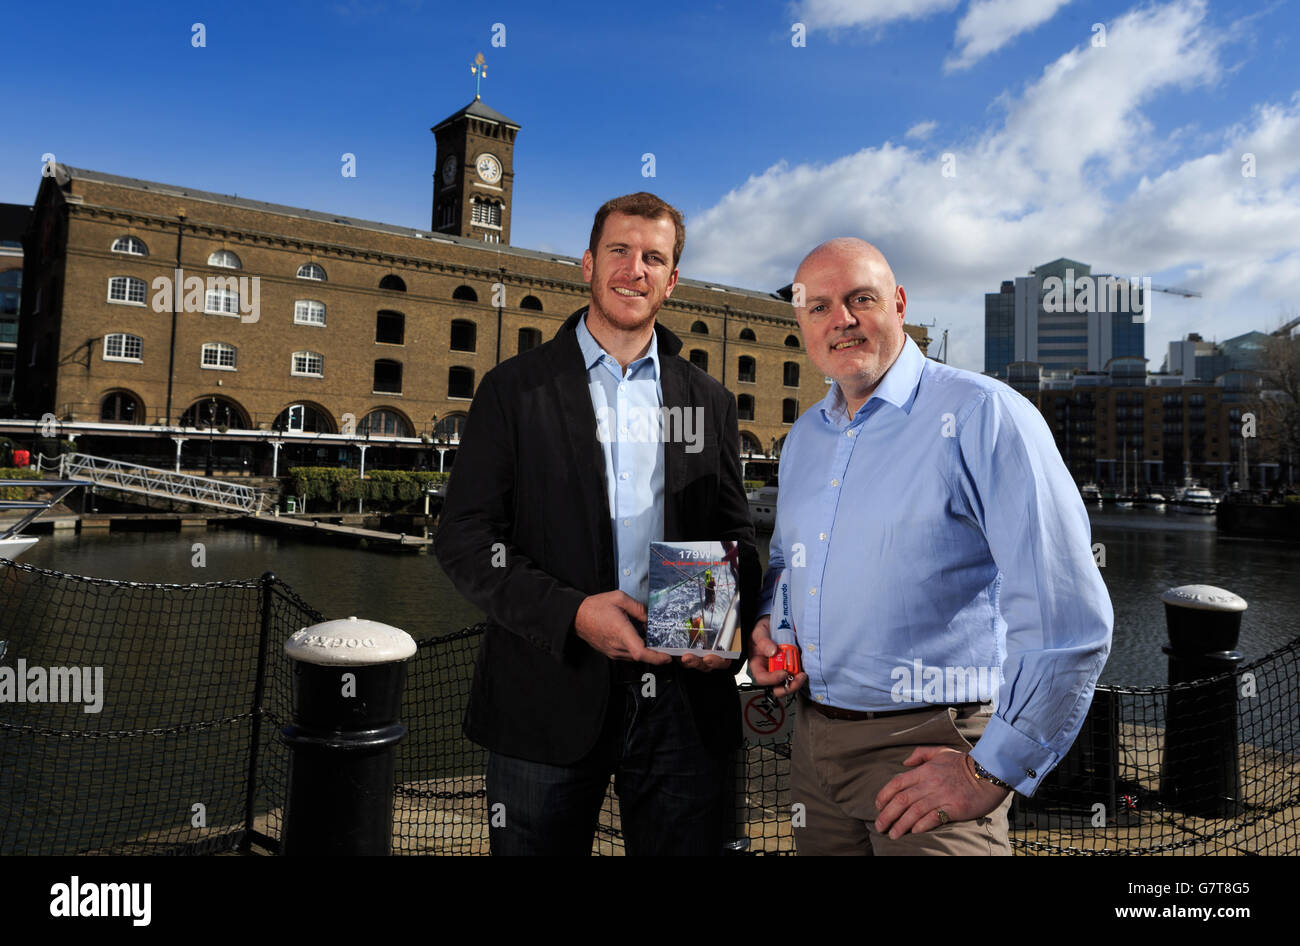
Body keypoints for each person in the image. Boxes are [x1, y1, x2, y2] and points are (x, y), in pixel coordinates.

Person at [749, 238, 1113, 855]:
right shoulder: (808, 435)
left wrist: (991, 768)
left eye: (861, 299)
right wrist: (769, 623)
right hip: (814, 748)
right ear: (801, 323)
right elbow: (788, 562)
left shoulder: (984, 413)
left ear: (898, 303)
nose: (841, 319)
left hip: (933, 747)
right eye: (818, 307)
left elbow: (1066, 620)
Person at [434, 192, 760, 856]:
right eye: (619, 251)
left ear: (671, 281)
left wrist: (716, 623)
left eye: (653, 258)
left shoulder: (709, 401)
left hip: (684, 699)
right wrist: (574, 614)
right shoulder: (512, 389)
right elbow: (465, 537)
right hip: (546, 690)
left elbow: (735, 533)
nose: (633, 269)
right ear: (587, 264)